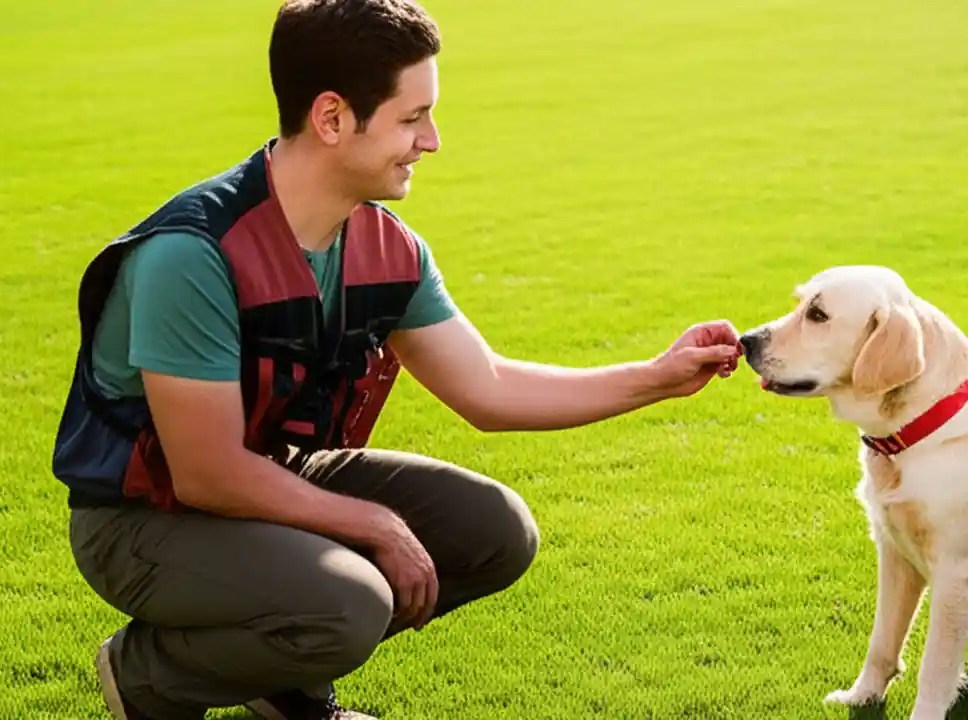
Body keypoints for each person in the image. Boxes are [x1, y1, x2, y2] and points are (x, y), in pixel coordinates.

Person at [51, 1, 741, 718]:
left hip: (272, 481)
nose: (431, 141)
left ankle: (278, 679)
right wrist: (374, 524)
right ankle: (147, 676)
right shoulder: (192, 255)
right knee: (348, 603)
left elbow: (488, 387)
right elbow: (206, 472)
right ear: (331, 118)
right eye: (413, 118)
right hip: (142, 518)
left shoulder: (386, 247)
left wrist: (657, 377)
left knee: (494, 532)